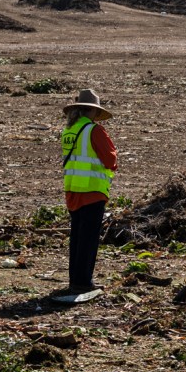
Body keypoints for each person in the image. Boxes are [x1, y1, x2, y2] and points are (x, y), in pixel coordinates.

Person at [52, 89, 117, 304]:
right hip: (92, 190)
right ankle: (83, 282)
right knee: (88, 240)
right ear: (93, 111)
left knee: (78, 238)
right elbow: (110, 160)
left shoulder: (69, 130)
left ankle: (75, 280)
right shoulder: (94, 131)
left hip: (72, 190)